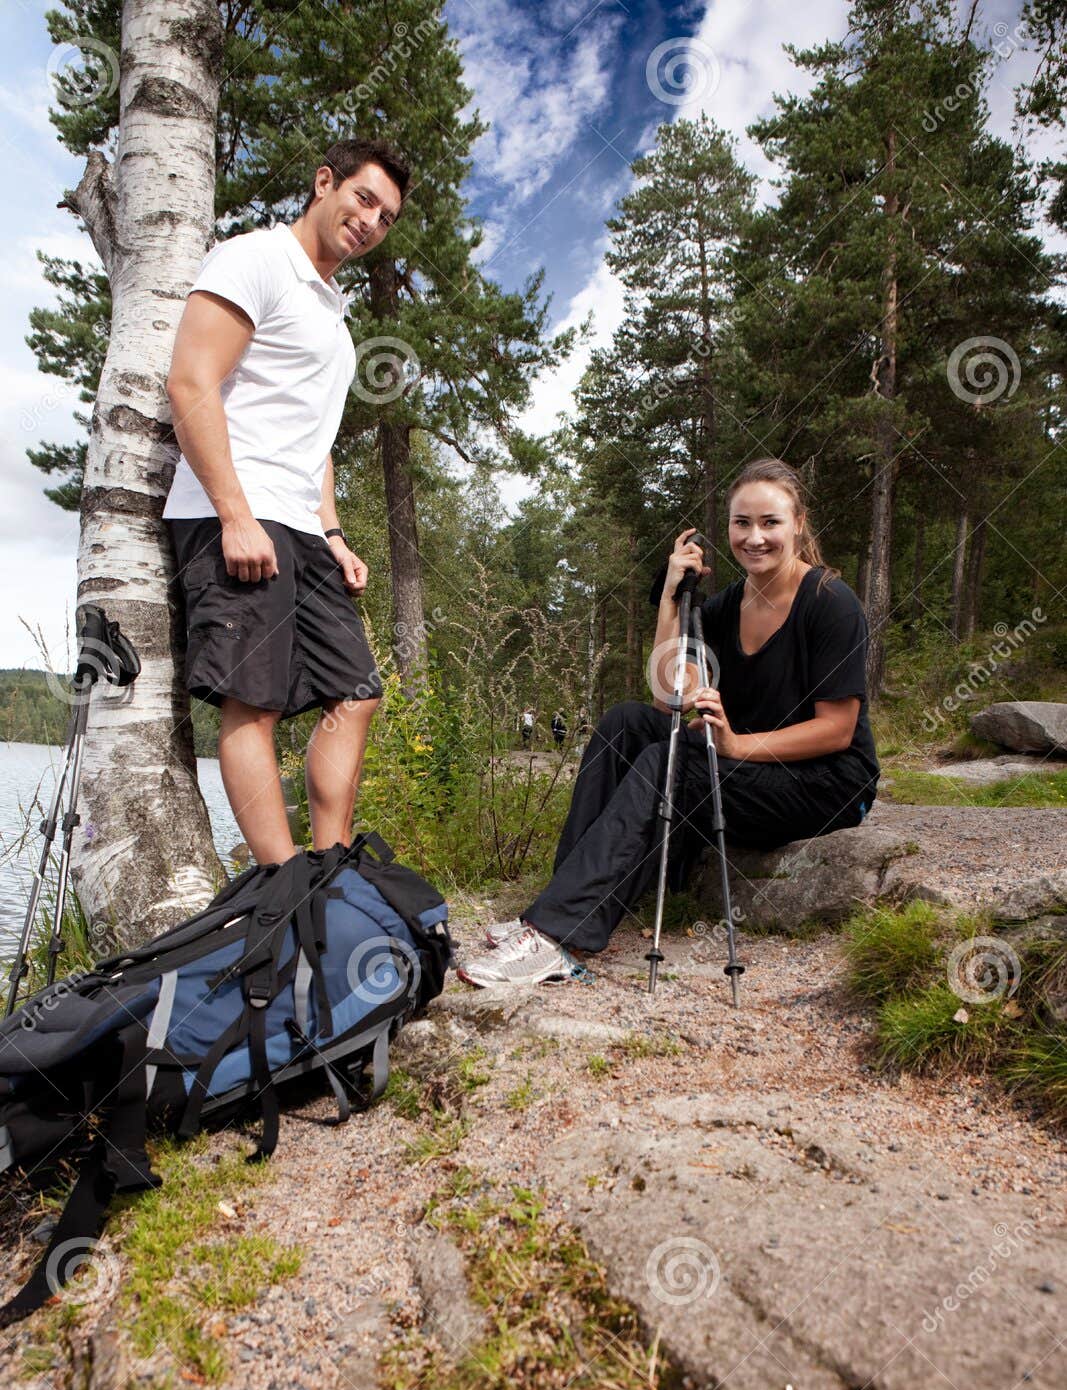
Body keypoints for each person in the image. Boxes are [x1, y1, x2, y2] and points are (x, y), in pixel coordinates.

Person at [459, 458, 880, 987]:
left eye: (770, 522)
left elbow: (837, 730)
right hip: (747, 768)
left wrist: (735, 745)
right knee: (626, 724)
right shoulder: (725, 607)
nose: (754, 537)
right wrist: (670, 598)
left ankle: (557, 935)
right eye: (742, 522)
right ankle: (559, 901)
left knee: (670, 763)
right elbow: (668, 699)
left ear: (798, 524)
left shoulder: (830, 602)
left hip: (825, 783)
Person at [163, 138, 409, 865]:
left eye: (387, 217)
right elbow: (190, 381)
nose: (371, 222)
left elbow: (314, 441)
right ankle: (282, 882)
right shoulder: (256, 259)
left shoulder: (332, 316)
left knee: (356, 691)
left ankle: (329, 869)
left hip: (299, 524)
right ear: (324, 182)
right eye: (364, 199)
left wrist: (332, 534)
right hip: (236, 511)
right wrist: (235, 515)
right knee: (255, 701)